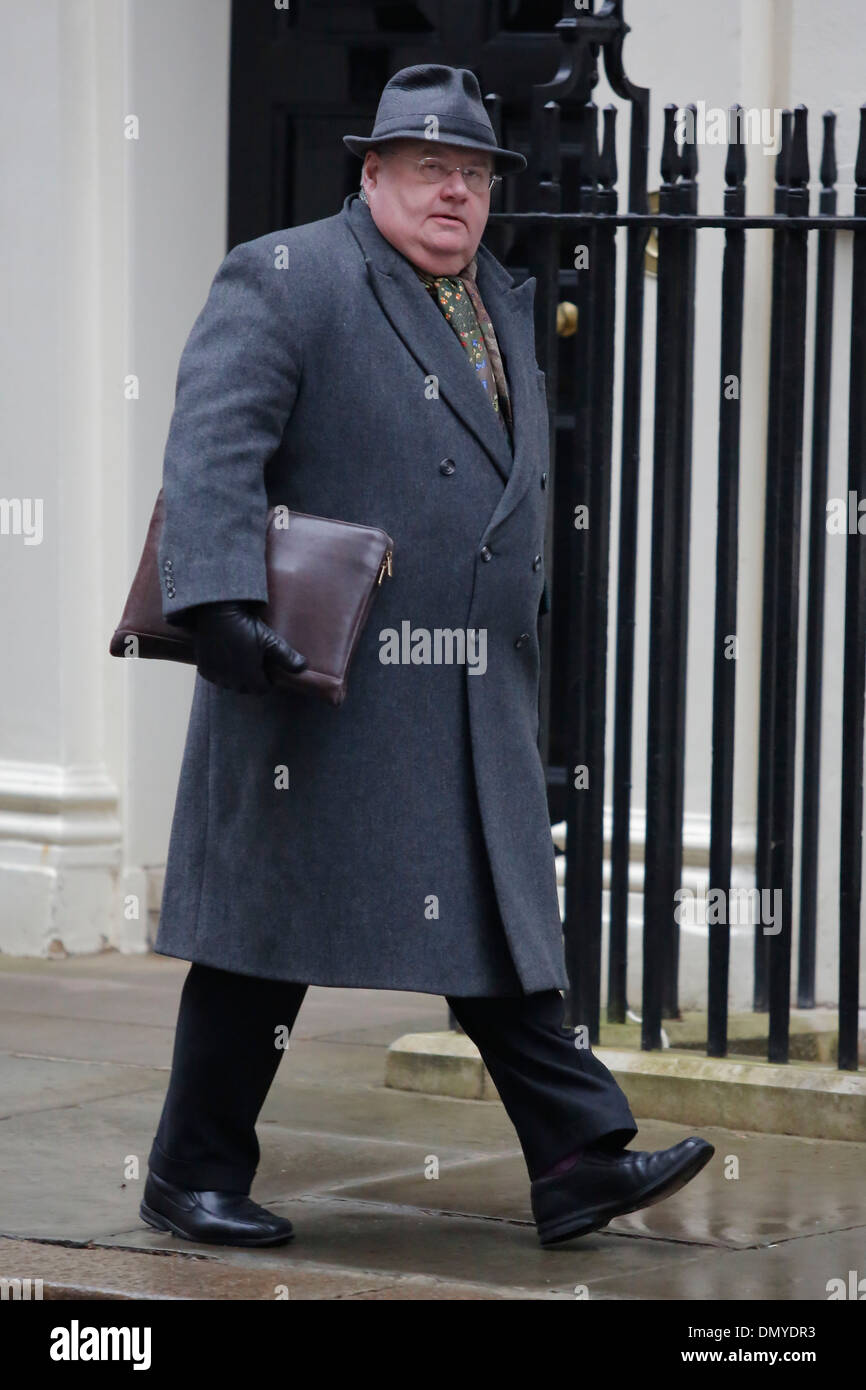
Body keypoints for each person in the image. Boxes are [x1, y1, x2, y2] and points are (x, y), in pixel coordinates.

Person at [140, 63, 713, 1251]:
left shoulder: (495, 297)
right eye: (428, 167)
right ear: (374, 173)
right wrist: (221, 608)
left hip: (461, 681)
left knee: (497, 921)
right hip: (316, 680)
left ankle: (571, 1157)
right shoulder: (289, 275)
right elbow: (209, 450)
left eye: (472, 172)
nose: (455, 192)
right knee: (263, 936)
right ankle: (188, 1171)